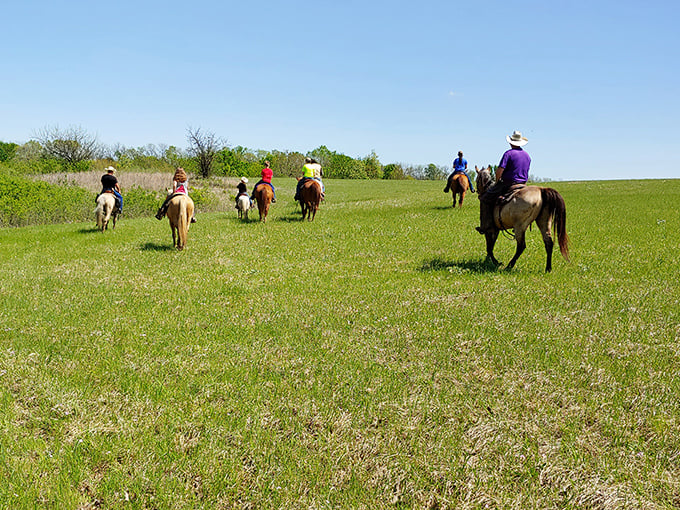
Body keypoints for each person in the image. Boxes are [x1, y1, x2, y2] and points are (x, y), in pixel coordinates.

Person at [476, 131, 531, 235]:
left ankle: (486, 226)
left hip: (508, 183)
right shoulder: (527, 155)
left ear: (511, 142)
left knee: (485, 198)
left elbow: (500, 170)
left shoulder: (508, 153)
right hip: (523, 184)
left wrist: (497, 181)